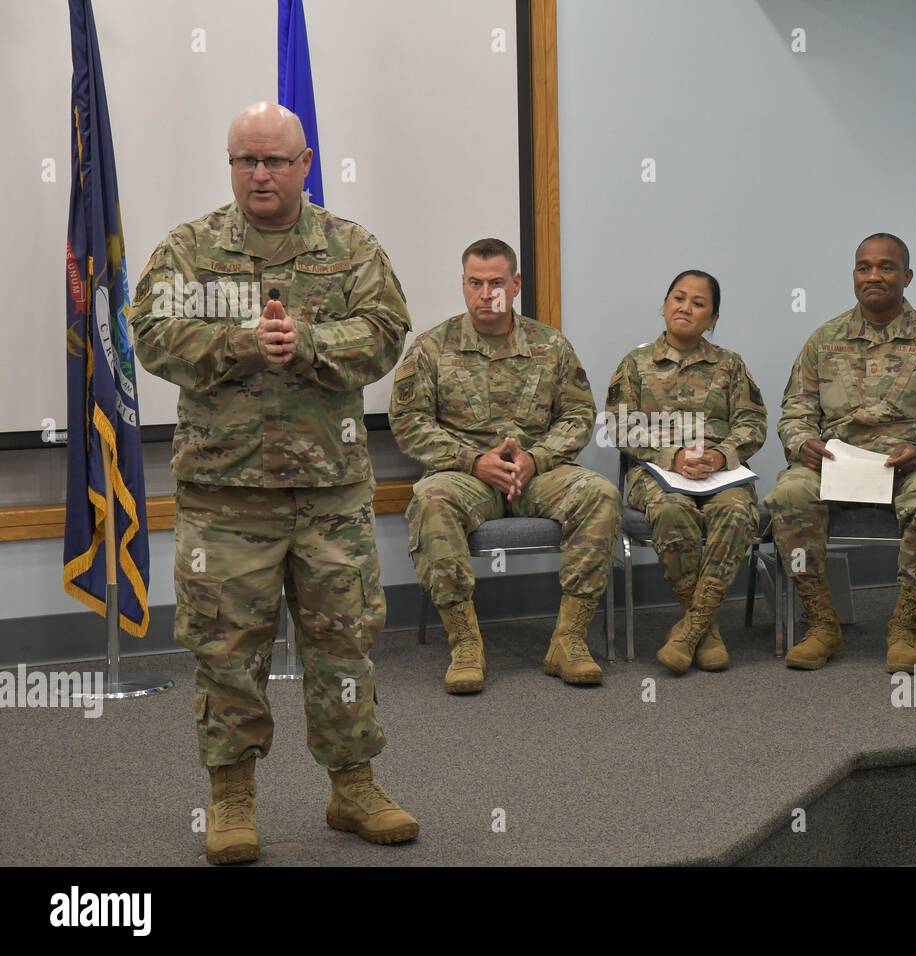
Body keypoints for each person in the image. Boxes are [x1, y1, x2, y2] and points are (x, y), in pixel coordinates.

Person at [129, 102, 418, 865]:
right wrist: (242, 342)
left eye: (275, 161)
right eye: (246, 160)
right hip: (225, 497)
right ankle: (231, 798)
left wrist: (310, 342)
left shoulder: (350, 247)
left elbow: (386, 331)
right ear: (231, 165)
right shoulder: (189, 249)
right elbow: (151, 335)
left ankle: (353, 787)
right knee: (226, 651)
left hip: (330, 494)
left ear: (304, 164)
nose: (260, 174)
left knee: (343, 645)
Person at [390, 238, 620, 693]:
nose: (485, 293)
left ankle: (569, 640)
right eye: (475, 283)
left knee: (601, 494)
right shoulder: (432, 347)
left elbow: (578, 414)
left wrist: (537, 458)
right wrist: (472, 461)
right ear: (462, 284)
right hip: (465, 477)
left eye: (495, 283)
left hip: (537, 474)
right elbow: (408, 421)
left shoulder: (550, 345)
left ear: (515, 284)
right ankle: (465, 644)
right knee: (430, 500)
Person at [765, 234, 916, 672]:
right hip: (836, 465)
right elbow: (795, 413)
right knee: (789, 493)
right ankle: (822, 624)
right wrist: (803, 442)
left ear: (907, 276)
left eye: (886, 267)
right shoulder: (824, 340)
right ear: (854, 275)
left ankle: (904, 627)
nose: (874, 276)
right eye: (864, 268)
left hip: (907, 466)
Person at [605, 270, 767, 673]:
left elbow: (752, 423)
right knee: (671, 510)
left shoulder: (730, 365)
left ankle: (692, 629)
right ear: (663, 306)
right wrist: (672, 456)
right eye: (678, 298)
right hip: (656, 471)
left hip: (721, 472)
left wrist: (721, 455)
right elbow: (619, 426)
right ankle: (707, 631)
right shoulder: (636, 364)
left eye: (698, 303)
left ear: (712, 319)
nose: (686, 308)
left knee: (737, 512)